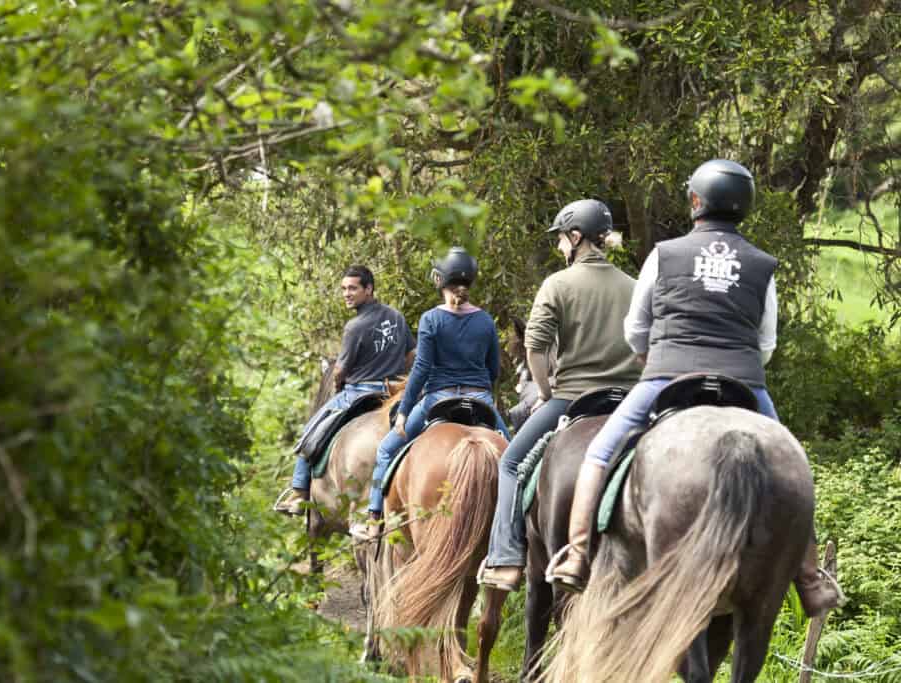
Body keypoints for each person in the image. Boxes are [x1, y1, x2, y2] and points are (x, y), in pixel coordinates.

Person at [547, 160, 845, 617]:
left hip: (668, 374)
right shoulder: (763, 265)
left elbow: (635, 329)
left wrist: (653, 360)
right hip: (743, 380)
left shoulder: (664, 254)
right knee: (793, 463)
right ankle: (808, 578)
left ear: (694, 202)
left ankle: (578, 553)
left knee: (599, 451)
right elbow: (766, 344)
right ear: (744, 206)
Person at [477, 199, 641, 591]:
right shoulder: (635, 286)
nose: (559, 249)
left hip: (572, 397)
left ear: (575, 236)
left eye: (561, 240)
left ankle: (505, 559)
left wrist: (548, 392)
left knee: (512, 464)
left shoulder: (558, 284)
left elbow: (535, 347)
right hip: (630, 402)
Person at [350, 247, 511, 541]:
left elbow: (421, 368)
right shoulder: (486, 321)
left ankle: (374, 517)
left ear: (439, 280)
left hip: (438, 398)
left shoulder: (431, 319)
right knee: (513, 458)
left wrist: (403, 411)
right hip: (480, 399)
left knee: (386, 449)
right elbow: (494, 369)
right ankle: (519, 529)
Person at [274, 265, 415, 516]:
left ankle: (298, 492)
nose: (346, 294)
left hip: (359, 392)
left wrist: (339, 385)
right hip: (393, 394)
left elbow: (339, 370)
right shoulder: (396, 317)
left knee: (310, 434)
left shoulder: (355, 326)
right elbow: (412, 354)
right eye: (343, 289)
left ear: (369, 289)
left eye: (352, 288)